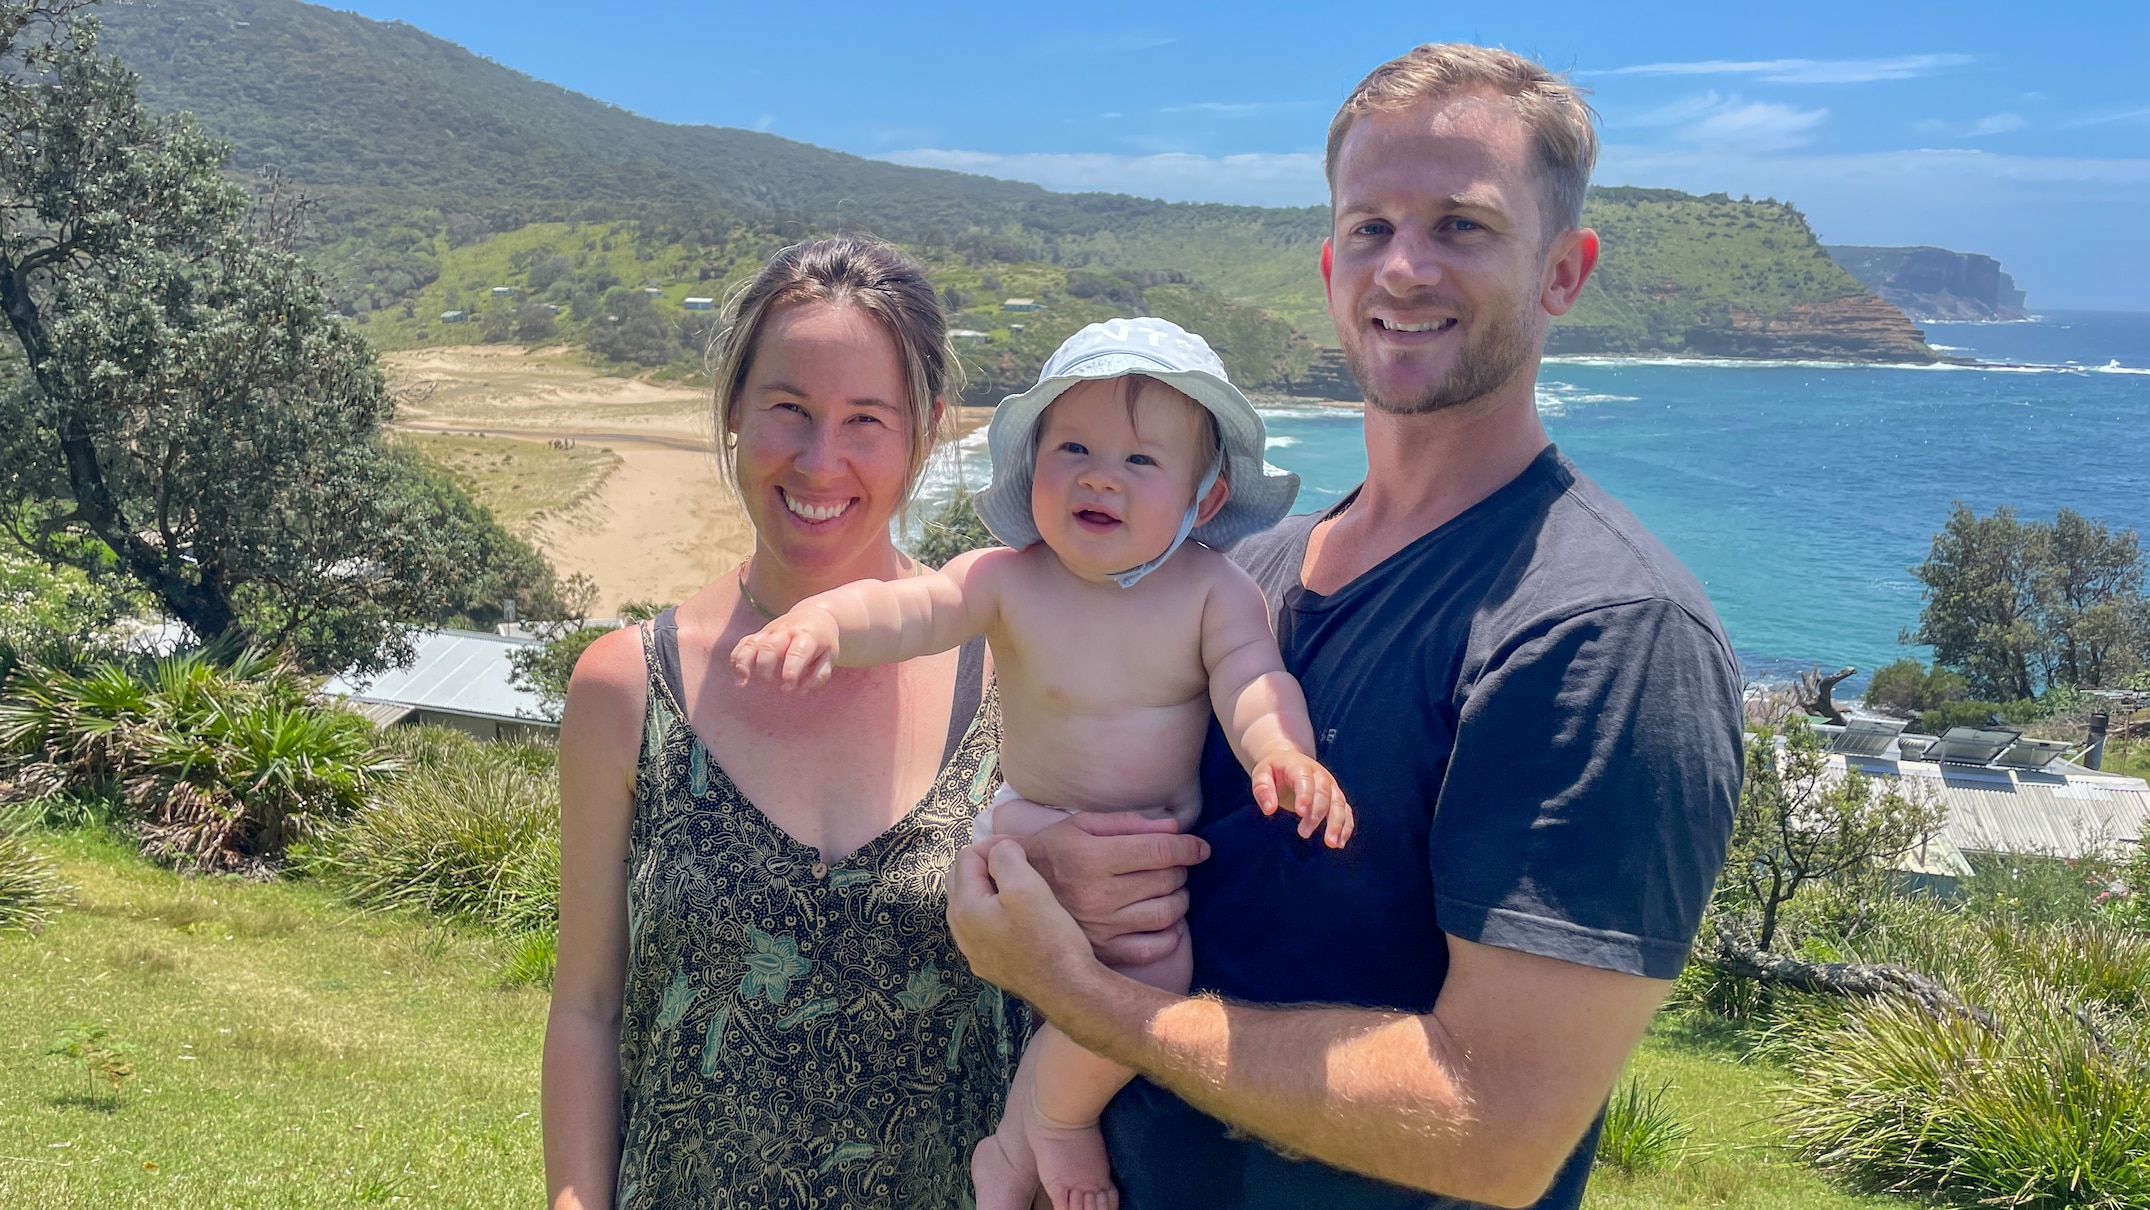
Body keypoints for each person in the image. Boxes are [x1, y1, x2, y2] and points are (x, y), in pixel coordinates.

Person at [947, 44, 1745, 1210]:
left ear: (1562, 272)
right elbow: (1077, 775)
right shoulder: (1238, 574)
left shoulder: (1605, 636)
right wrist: (1040, 856)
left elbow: (1494, 1128)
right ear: (1330, 268)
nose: (1403, 267)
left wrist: (1087, 998)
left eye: (1461, 225)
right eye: (1369, 228)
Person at [539, 237, 1203, 1210]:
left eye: (865, 420)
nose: (821, 461)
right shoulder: (627, 687)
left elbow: (1105, 974)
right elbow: (587, 1006)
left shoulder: (1019, 674)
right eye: (788, 409)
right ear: (733, 410)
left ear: (926, 433)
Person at [733, 317, 1353, 1210]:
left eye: (1141, 460)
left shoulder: (1214, 594)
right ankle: (1055, 1126)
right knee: (1138, 986)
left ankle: (1020, 1139)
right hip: (1023, 840)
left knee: (1141, 986)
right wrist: (822, 622)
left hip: (1139, 874)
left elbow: (1254, 684)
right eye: (1074, 449)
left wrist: (1283, 753)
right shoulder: (1009, 578)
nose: (1101, 475)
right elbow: (910, 609)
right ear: (1033, 469)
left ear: (1206, 498)